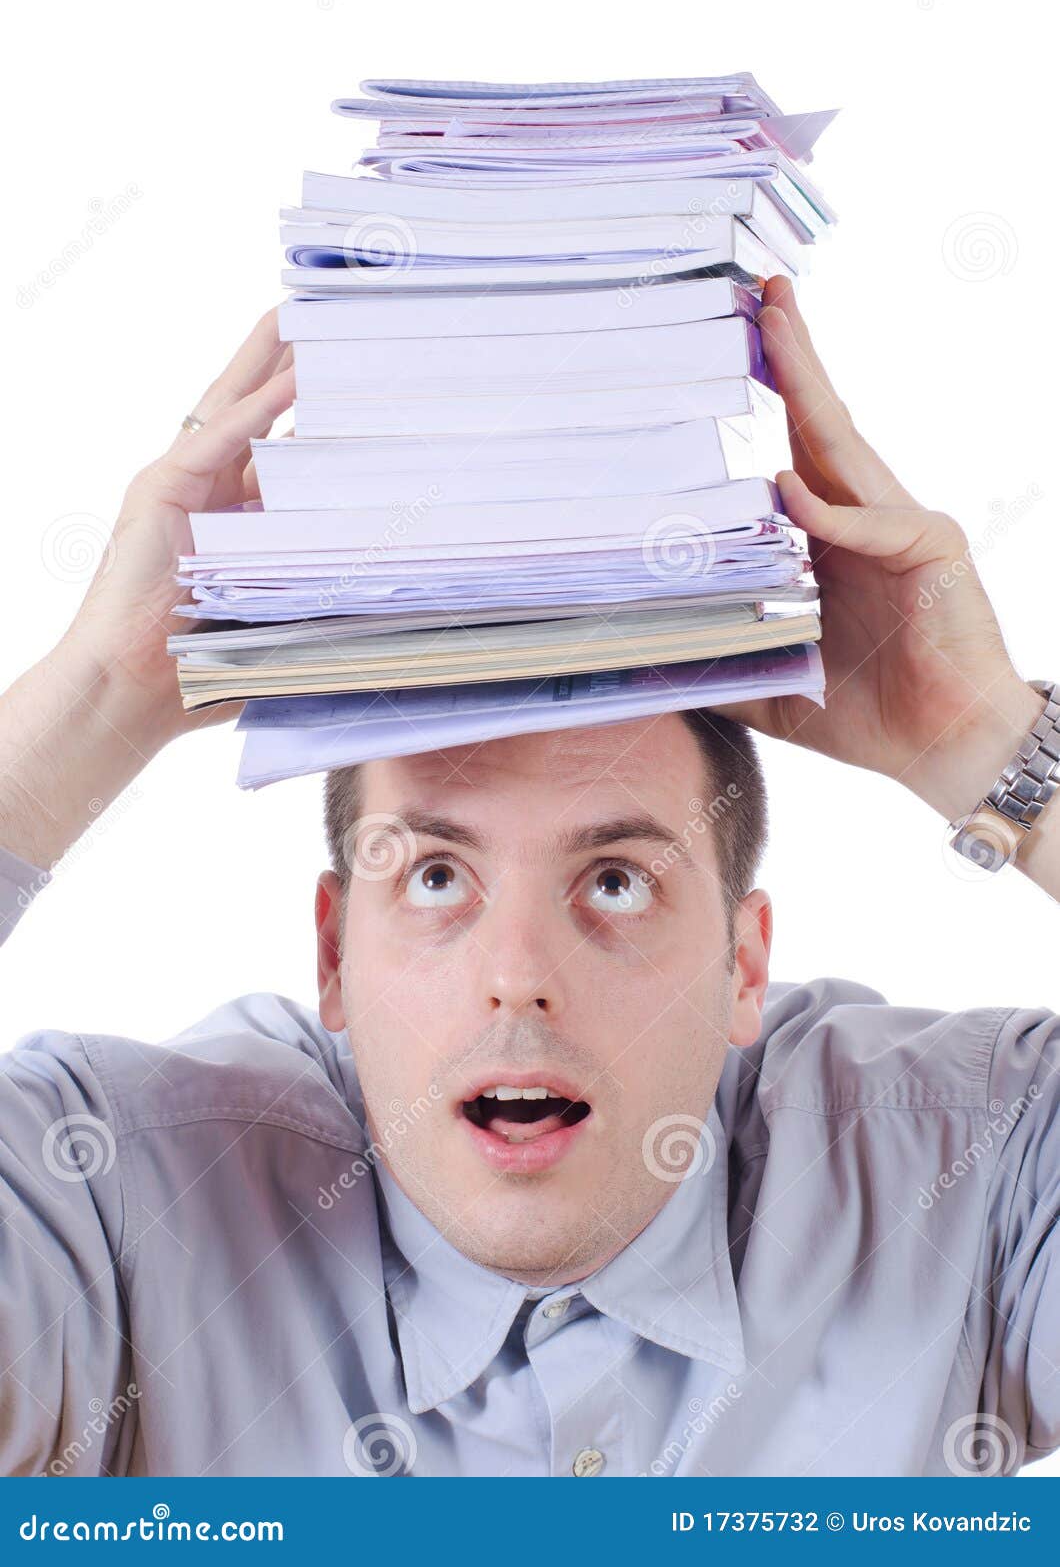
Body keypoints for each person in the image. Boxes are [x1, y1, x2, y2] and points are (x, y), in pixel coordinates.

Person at [0, 280, 1056, 1478]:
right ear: (334, 954)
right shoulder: (103, 1195)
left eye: (615, 881)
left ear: (743, 963)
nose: (517, 980)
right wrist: (96, 697)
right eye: (439, 875)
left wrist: (986, 742)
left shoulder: (969, 1170)